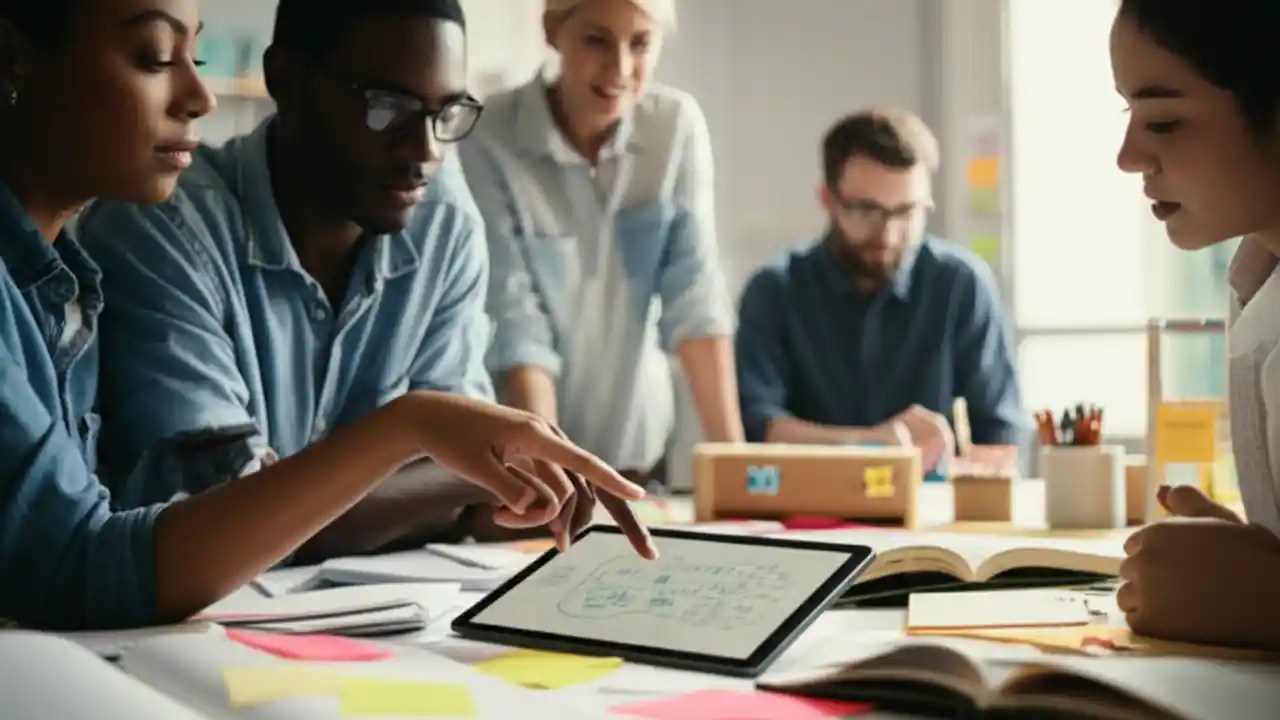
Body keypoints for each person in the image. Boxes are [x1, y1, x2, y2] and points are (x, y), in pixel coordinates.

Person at [0, 0, 652, 632]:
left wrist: (456, 472)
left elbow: (481, 489)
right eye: (154, 56)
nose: (201, 97)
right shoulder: (152, 229)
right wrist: (418, 435)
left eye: (447, 112)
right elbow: (113, 557)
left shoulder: (56, 283)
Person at [458, 0, 744, 487]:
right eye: (596, 40)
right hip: (529, 463)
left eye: (640, 43)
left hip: (640, 460)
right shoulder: (489, 136)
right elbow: (516, 322)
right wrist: (550, 473)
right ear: (551, 31)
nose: (620, 68)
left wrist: (740, 474)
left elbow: (695, 302)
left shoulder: (673, 127)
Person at [1111, 0, 1280, 651]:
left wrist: (1266, 601)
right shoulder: (1257, 277)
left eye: (1164, 120)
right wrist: (1246, 557)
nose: (1128, 156)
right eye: (1128, 115)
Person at [734, 108, 1026, 473]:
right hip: (805, 517)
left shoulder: (961, 285)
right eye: (866, 211)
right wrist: (873, 444)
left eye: (907, 212)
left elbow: (1001, 438)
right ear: (827, 198)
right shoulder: (774, 291)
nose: (887, 234)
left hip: (930, 519)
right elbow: (758, 429)